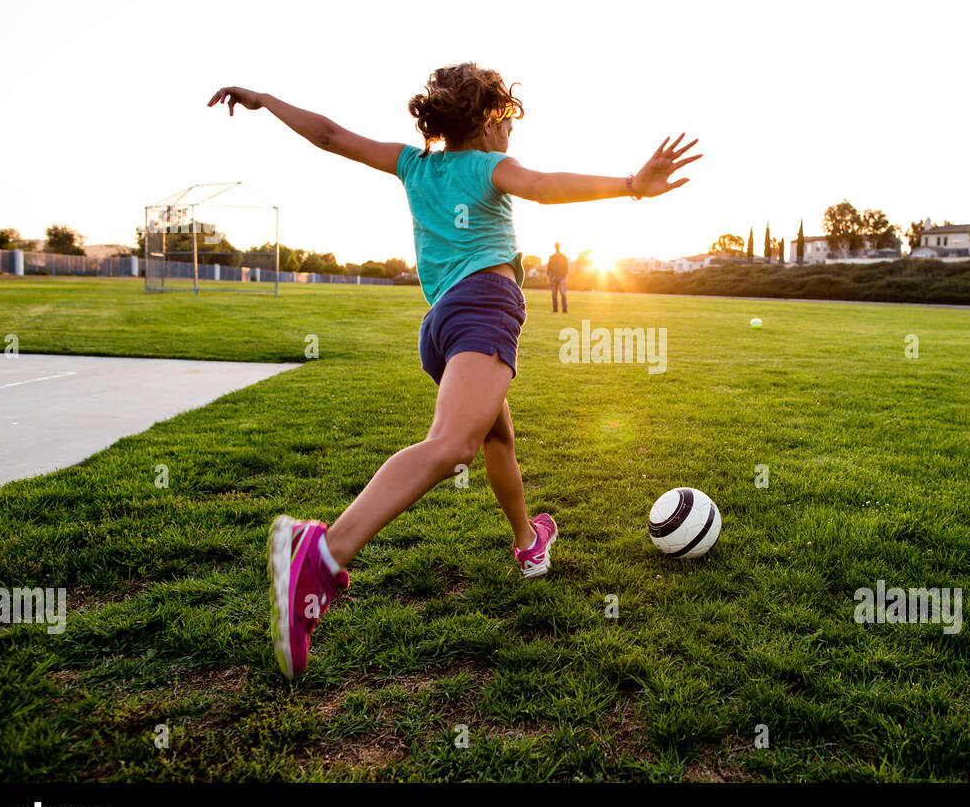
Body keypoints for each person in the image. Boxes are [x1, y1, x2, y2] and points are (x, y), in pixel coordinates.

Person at [207, 63, 701, 679]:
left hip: (440, 326)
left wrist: (265, 99)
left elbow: (330, 136)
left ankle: (528, 541)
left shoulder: (415, 165)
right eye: (508, 125)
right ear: (490, 121)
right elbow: (544, 186)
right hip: (483, 311)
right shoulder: (487, 166)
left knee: (499, 438)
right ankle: (322, 554)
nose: (512, 139)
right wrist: (632, 183)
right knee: (453, 446)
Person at [547, 242, 569, 313]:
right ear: (554, 247)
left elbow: (566, 268)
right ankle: (555, 309)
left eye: (558, 246)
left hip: (562, 277)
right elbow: (548, 268)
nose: (557, 247)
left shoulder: (563, 256)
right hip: (553, 277)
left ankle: (564, 309)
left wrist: (566, 278)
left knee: (563, 293)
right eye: (556, 246)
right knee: (554, 294)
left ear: (559, 247)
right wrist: (548, 278)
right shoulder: (551, 257)